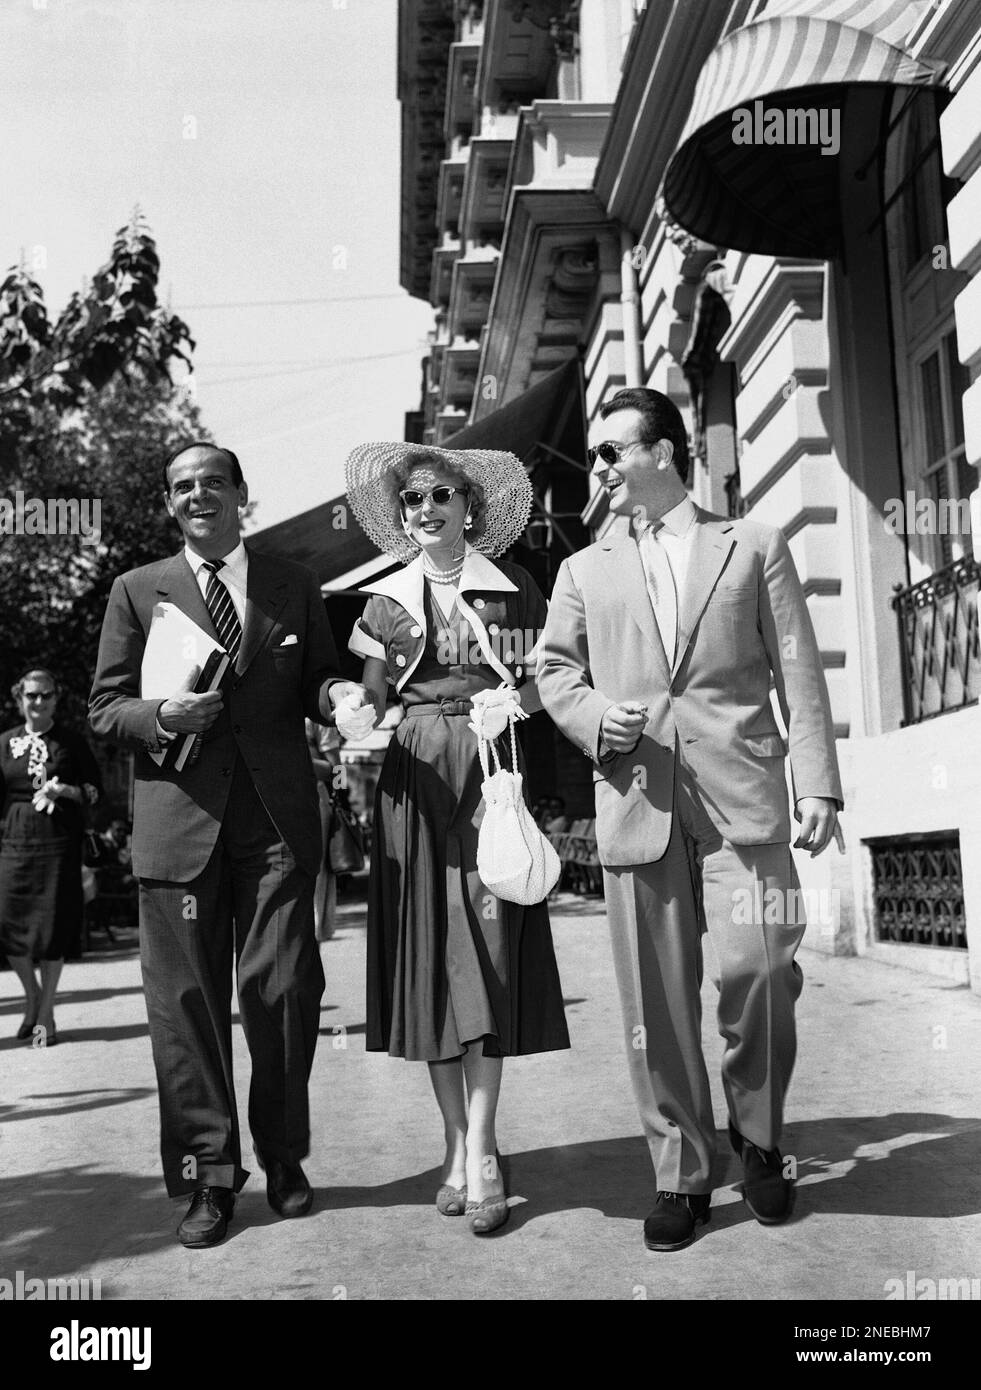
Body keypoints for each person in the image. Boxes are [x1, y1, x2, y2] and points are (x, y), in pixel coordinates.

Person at [536, 388, 843, 1252]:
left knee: (762, 970)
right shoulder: (582, 569)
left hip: (742, 794)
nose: (596, 468)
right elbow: (553, 673)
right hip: (638, 799)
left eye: (609, 451)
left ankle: (760, 1138)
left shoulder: (752, 543)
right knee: (656, 1002)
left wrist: (816, 781)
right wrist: (599, 718)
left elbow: (796, 665)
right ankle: (680, 1173)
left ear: (664, 452)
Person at [89, 441, 366, 1249]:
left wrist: (339, 690)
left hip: (275, 825)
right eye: (181, 486)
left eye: (212, 481)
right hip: (177, 827)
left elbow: (316, 677)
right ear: (169, 504)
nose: (197, 494)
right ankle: (211, 1176)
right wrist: (160, 717)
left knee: (281, 991)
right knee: (185, 1009)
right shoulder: (137, 592)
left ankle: (283, 1157)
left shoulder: (292, 582)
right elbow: (106, 708)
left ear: (242, 493)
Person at [345, 441, 570, 1234]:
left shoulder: (512, 593)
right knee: (431, 961)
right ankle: (457, 1142)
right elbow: (369, 699)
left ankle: (481, 1148)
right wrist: (351, 707)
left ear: (468, 507)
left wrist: (518, 705)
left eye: (442, 495)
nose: (428, 508)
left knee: (487, 953)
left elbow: (553, 680)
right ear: (402, 516)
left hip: (487, 778)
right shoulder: (383, 603)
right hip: (413, 783)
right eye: (414, 500)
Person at [0, 669, 102, 1044]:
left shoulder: (72, 743)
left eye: (45, 695)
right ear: (19, 698)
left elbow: (95, 791)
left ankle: (46, 1016)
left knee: (54, 930)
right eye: (31, 695)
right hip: (12, 847)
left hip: (58, 846)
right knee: (10, 928)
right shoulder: (3, 742)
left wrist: (69, 791)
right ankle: (32, 999)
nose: (38, 702)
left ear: (56, 699)